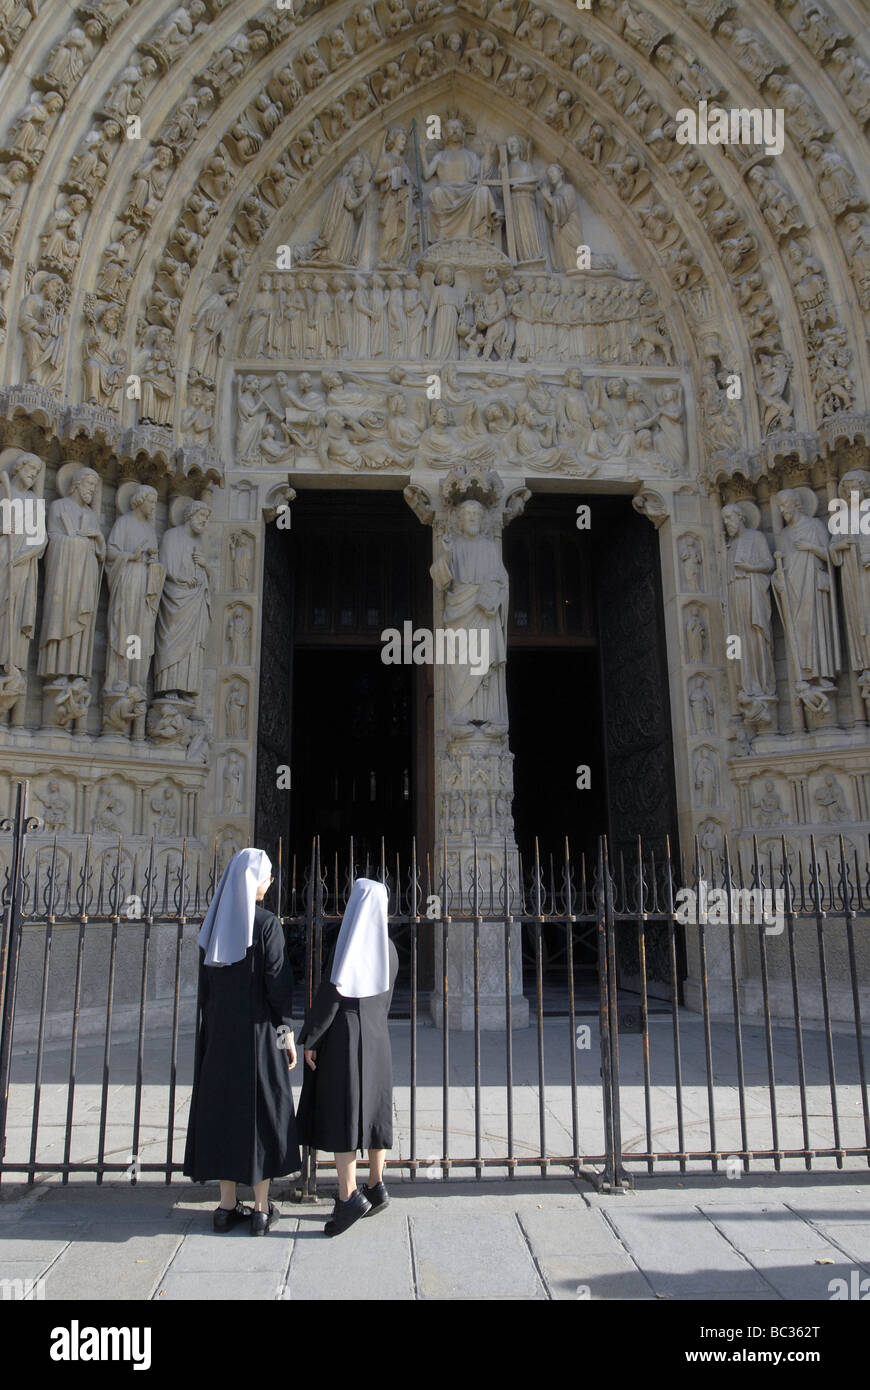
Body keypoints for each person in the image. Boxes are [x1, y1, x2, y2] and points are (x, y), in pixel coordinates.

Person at [183, 848, 300, 1236]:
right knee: (262, 1113)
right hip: (259, 1033)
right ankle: (262, 1209)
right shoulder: (267, 925)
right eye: (266, 876)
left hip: (219, 1032)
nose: (269, 883)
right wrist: (286, 1035)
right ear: (253, 881)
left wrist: (211, 1025)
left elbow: (204, 987)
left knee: (223, 1109)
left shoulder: (214, 923)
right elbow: (278, 988)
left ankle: (225, 1205)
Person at [297, 878, 399, 1237]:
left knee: (344, 1114)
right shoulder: (389, 947)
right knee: (373, 1113)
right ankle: (376, 1184)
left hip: (345, 1037)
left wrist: (310, 1037)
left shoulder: (348, 944)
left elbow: (331, 996)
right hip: (378, 1037)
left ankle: (348, 1195)